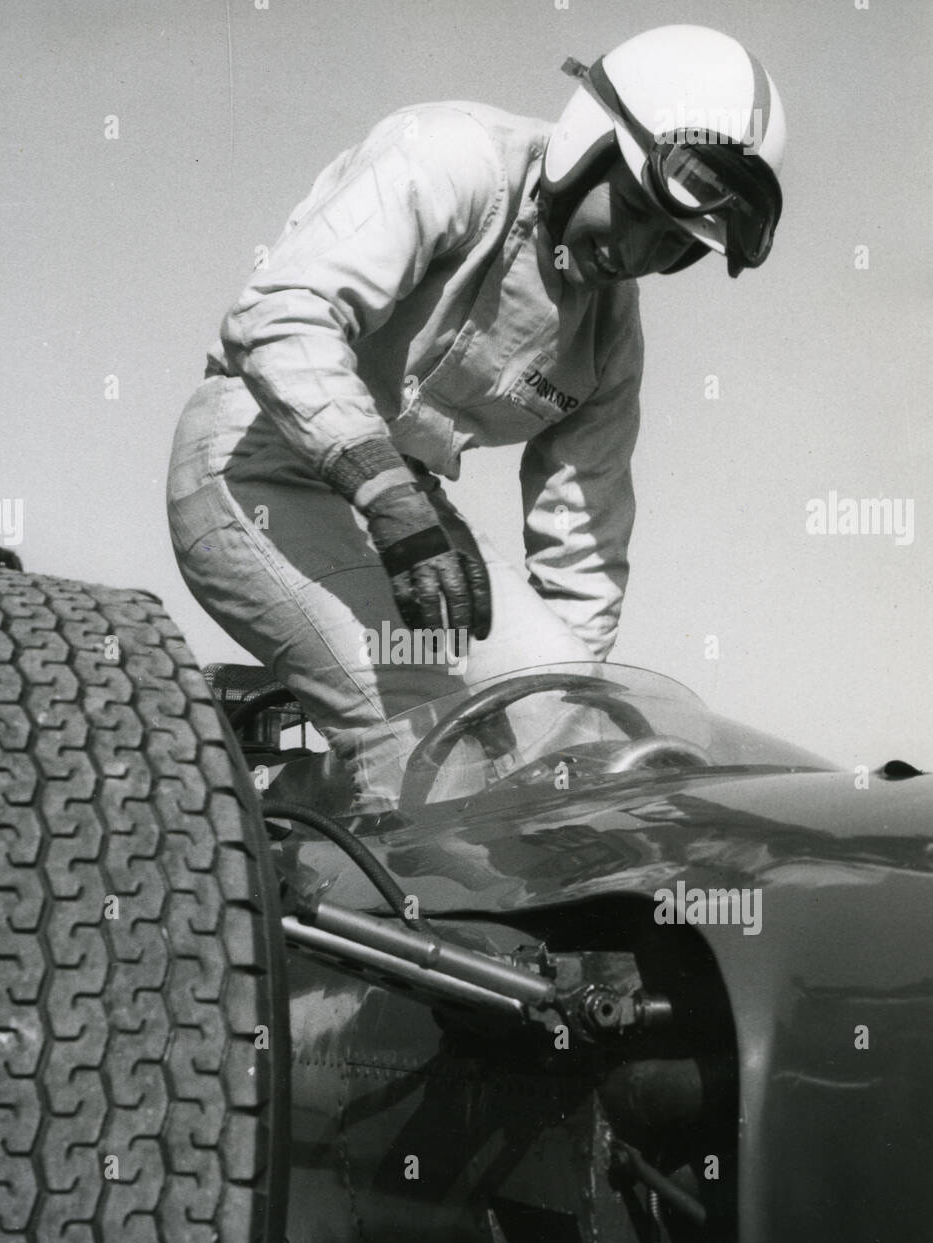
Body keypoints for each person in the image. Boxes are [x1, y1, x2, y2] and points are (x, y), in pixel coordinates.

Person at [167, 24, 786, 810]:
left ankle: (327, 822)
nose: (637, 256)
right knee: (429, 740)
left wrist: (568, 713)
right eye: (635, 213)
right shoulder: (452, 154)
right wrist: (389, 494)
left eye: (675, 247)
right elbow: (282, 318)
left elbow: (583, 541)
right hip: (253, 460)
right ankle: (256, 836)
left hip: (410, 513)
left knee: (576, 742)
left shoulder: (612, 327)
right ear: (588, 143)